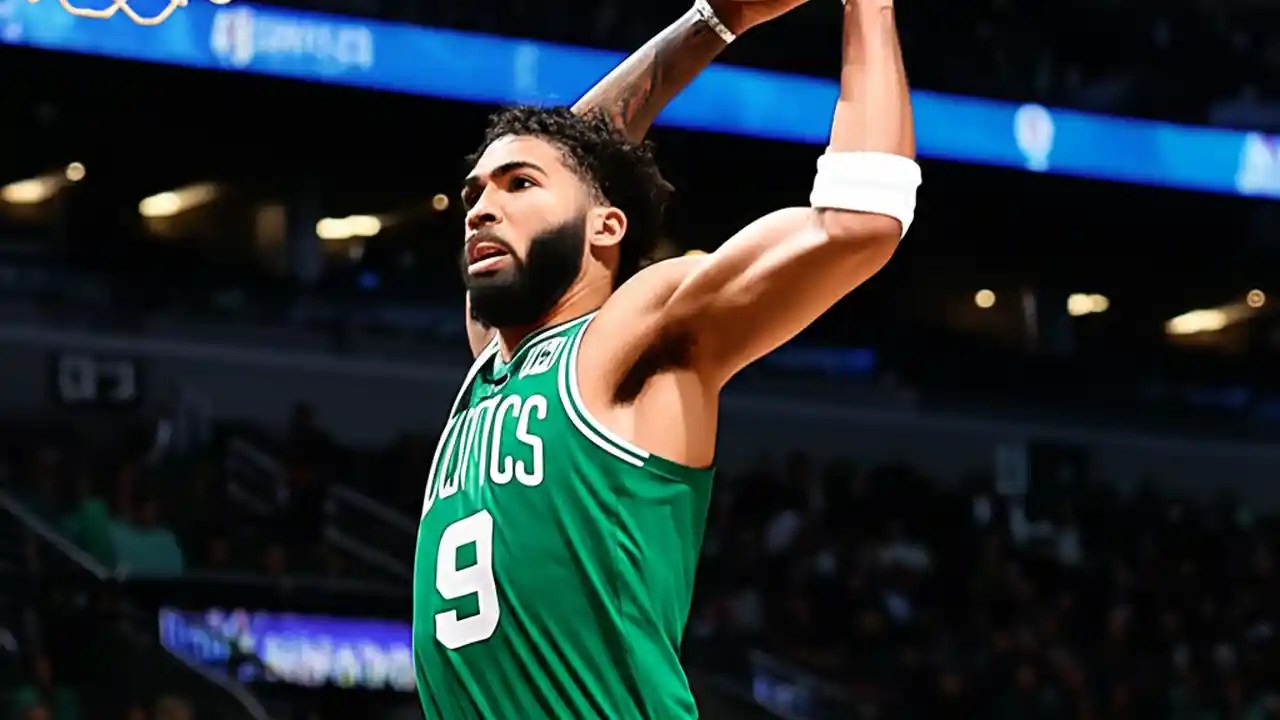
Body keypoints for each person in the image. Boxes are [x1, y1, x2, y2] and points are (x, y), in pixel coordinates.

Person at [413, 0, 921, 717]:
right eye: (475, 192)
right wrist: (715, 19)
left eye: (516, 185)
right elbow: (577, 149)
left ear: (607, 227)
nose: (479, 208)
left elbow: (860, 220)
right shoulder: (493, 358)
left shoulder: (628, 335)